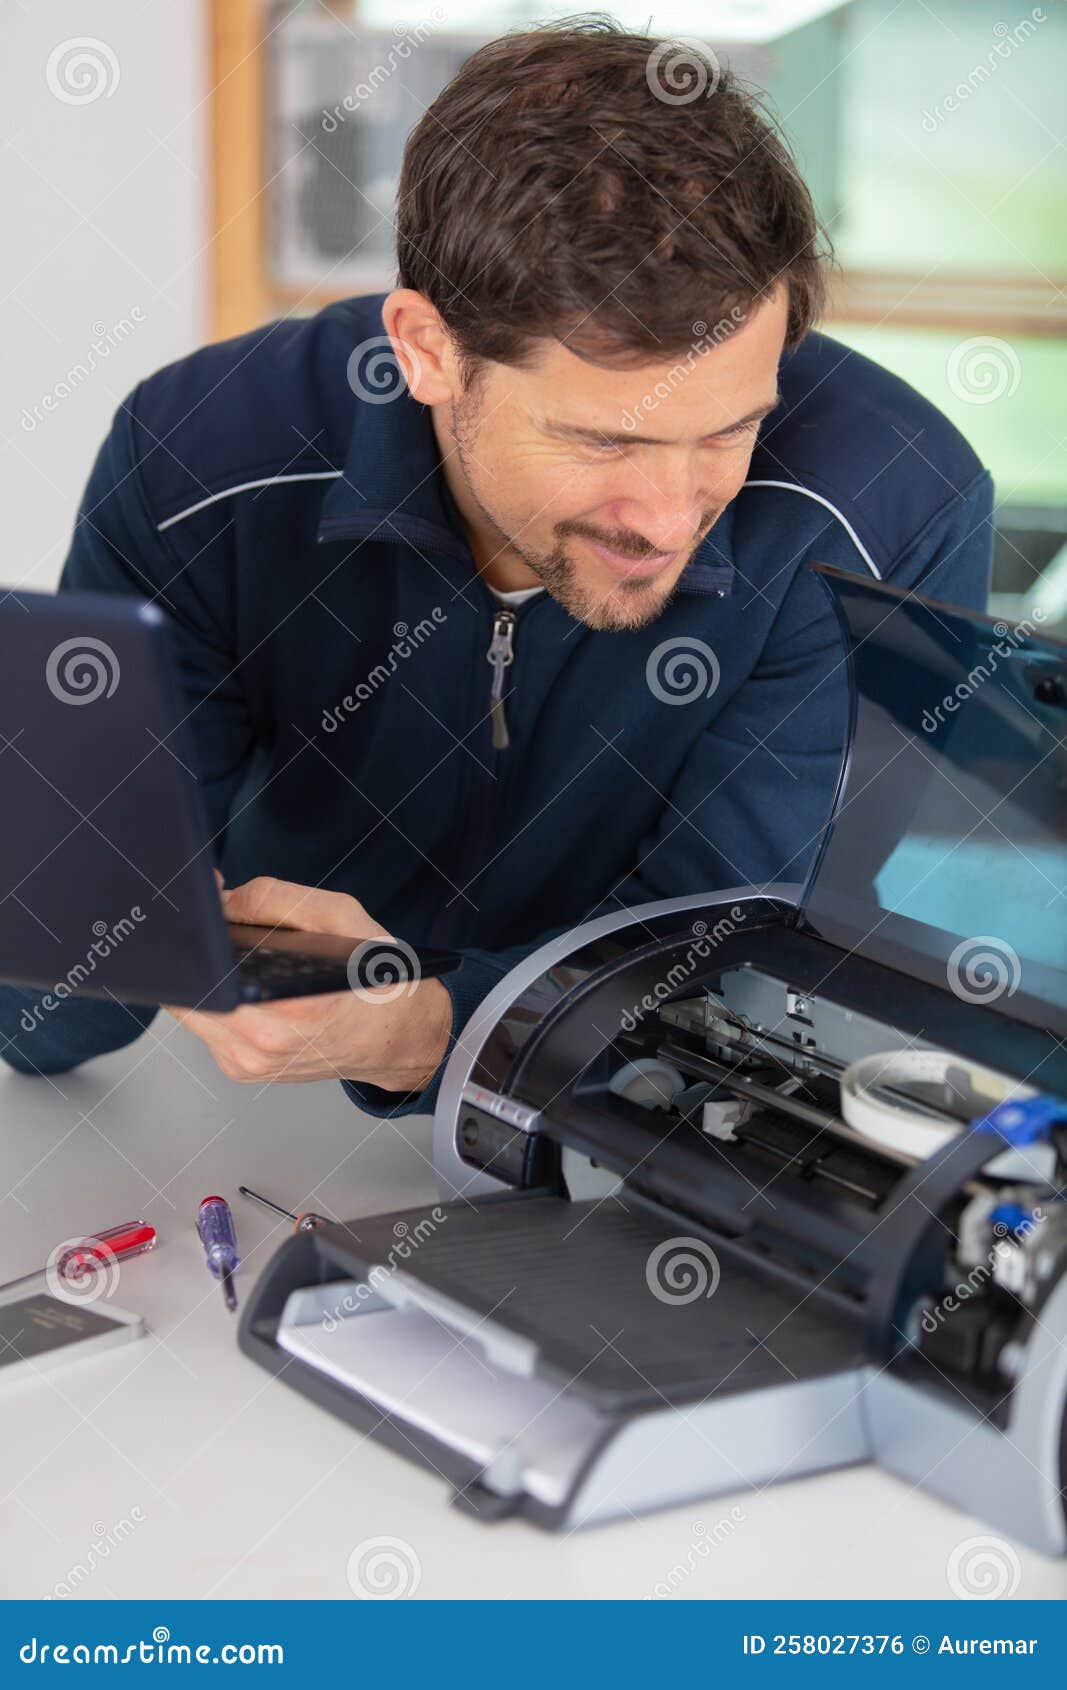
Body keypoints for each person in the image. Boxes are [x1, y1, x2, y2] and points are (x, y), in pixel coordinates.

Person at [0, 19, 992, 1120]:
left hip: (651, 1144)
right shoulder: (200, 459)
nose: (671, 519)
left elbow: (739, 976)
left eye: (729, 430)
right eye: (603, 441)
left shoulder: (892, 513)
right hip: (251, 1111)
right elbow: (54, 1014)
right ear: (427, 349)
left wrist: (432, 1030)